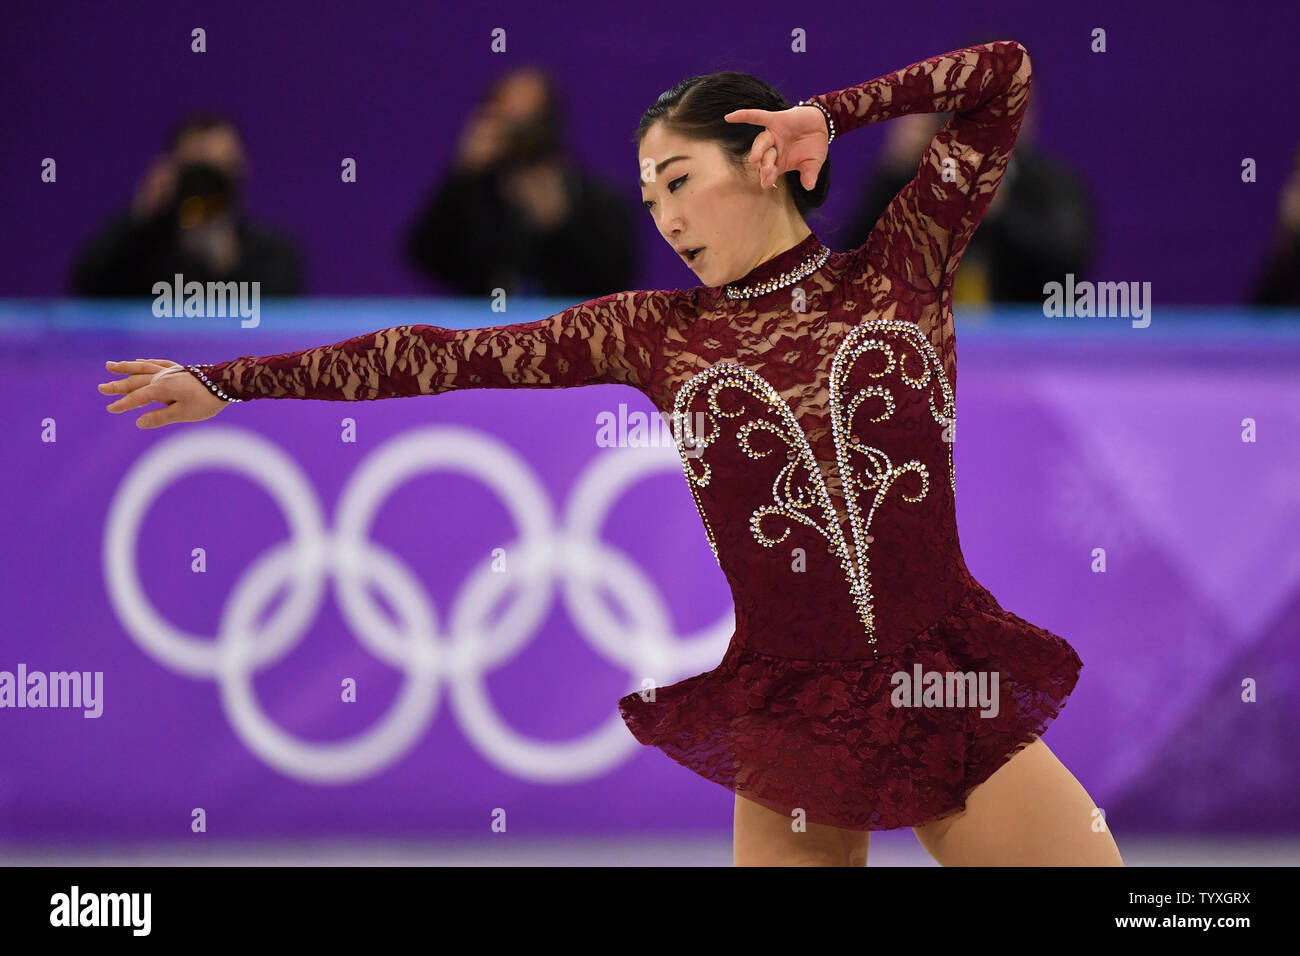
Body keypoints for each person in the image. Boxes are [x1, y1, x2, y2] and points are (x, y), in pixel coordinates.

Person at [99, 40, 1124, 867]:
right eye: (648, 199)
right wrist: (235, 379)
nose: (667, 217)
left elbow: (1003, 76)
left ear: (762, 157)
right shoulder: (655, 332)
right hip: (797, 707)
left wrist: (837, 113)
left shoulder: (904, 261)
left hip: (941, 684)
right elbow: (442, 355)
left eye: (679, 179)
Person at [404, 66, 636, 297]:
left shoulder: (597, 199)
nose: (515, 129)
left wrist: (559, 224)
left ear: (551, 122)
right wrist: (461, 176)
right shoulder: (474, 194)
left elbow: (616, 279)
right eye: (502, 115)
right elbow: (425, 255)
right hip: (487, 329)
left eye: (528, 119)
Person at [71, 112, 302, 296]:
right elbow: (88, 285)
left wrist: (228, 265)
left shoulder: (271, 252)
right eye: (196, 172)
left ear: (241, 172)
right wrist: (140, 212)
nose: (205, 187)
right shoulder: (141, 248)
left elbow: (276, 324)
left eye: (218, 171)